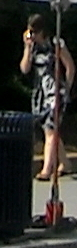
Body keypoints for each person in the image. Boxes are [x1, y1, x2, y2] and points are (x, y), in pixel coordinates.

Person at [20, 13, 74, 180]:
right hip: (40, 94)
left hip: (56, 92)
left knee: (50, 130)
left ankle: (46, 169)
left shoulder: (55, 44)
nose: (32, 35)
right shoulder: (33, 47)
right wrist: (27, 48)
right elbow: (24, 69)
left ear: (41, 31)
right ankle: (65, 163)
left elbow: (70, 67)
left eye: (34, 32)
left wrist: (66, 89)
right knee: (49, 129)